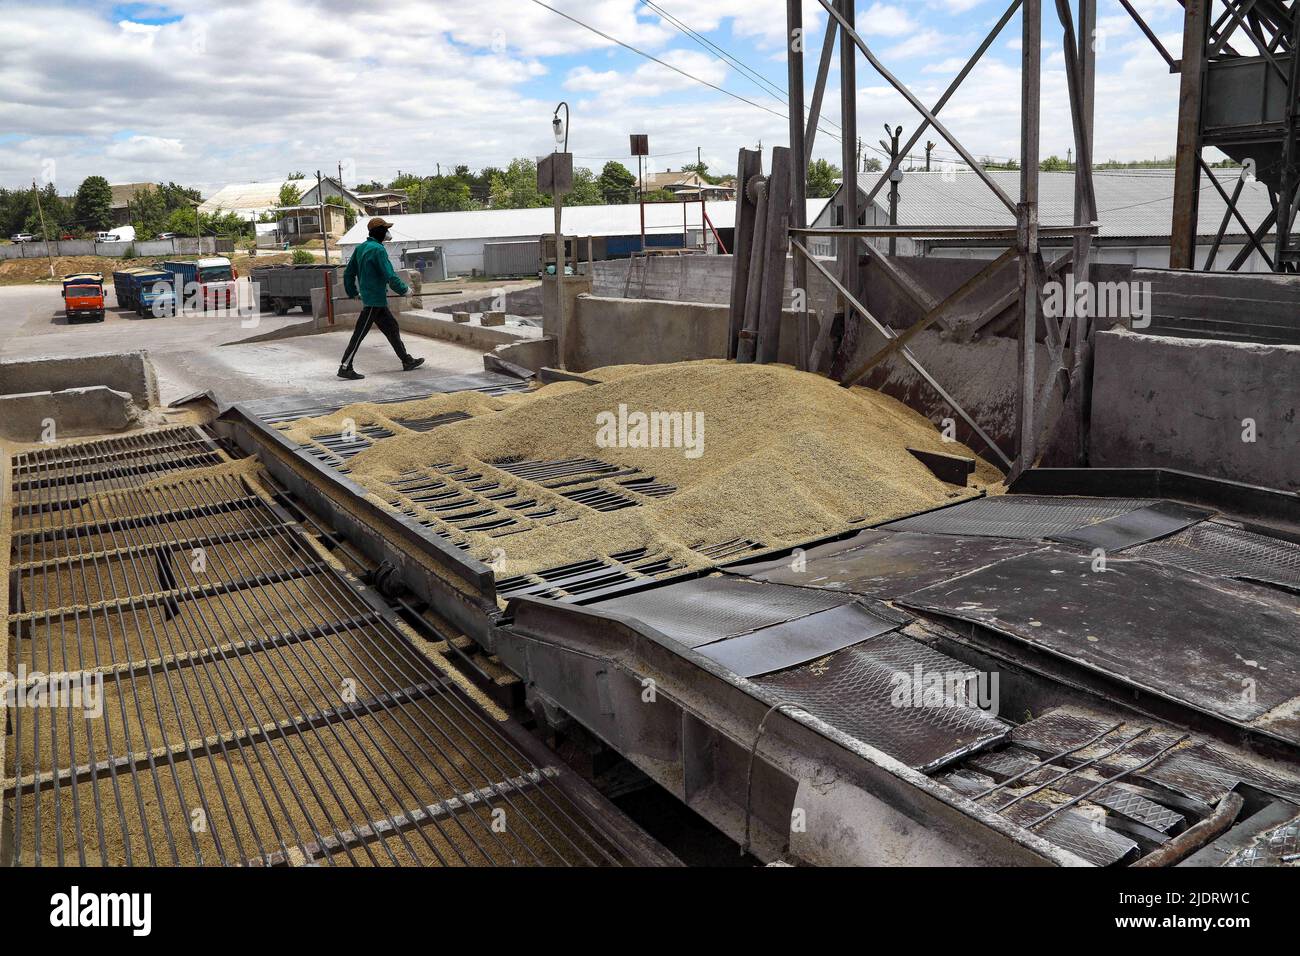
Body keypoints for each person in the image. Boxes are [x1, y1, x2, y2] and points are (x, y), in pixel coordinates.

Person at [337, 216, 425, 379]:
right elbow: (389, 276)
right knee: (359, 334)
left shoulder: (361, 248)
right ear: (379, 232)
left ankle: (406, 360)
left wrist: (352, 292)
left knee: (392, 328)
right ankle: (345, 366)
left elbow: (348, 273)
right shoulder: (378, 250)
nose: (388, 232)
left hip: (375, 300)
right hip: (373, 301)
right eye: (386, 229)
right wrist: (404, 290)